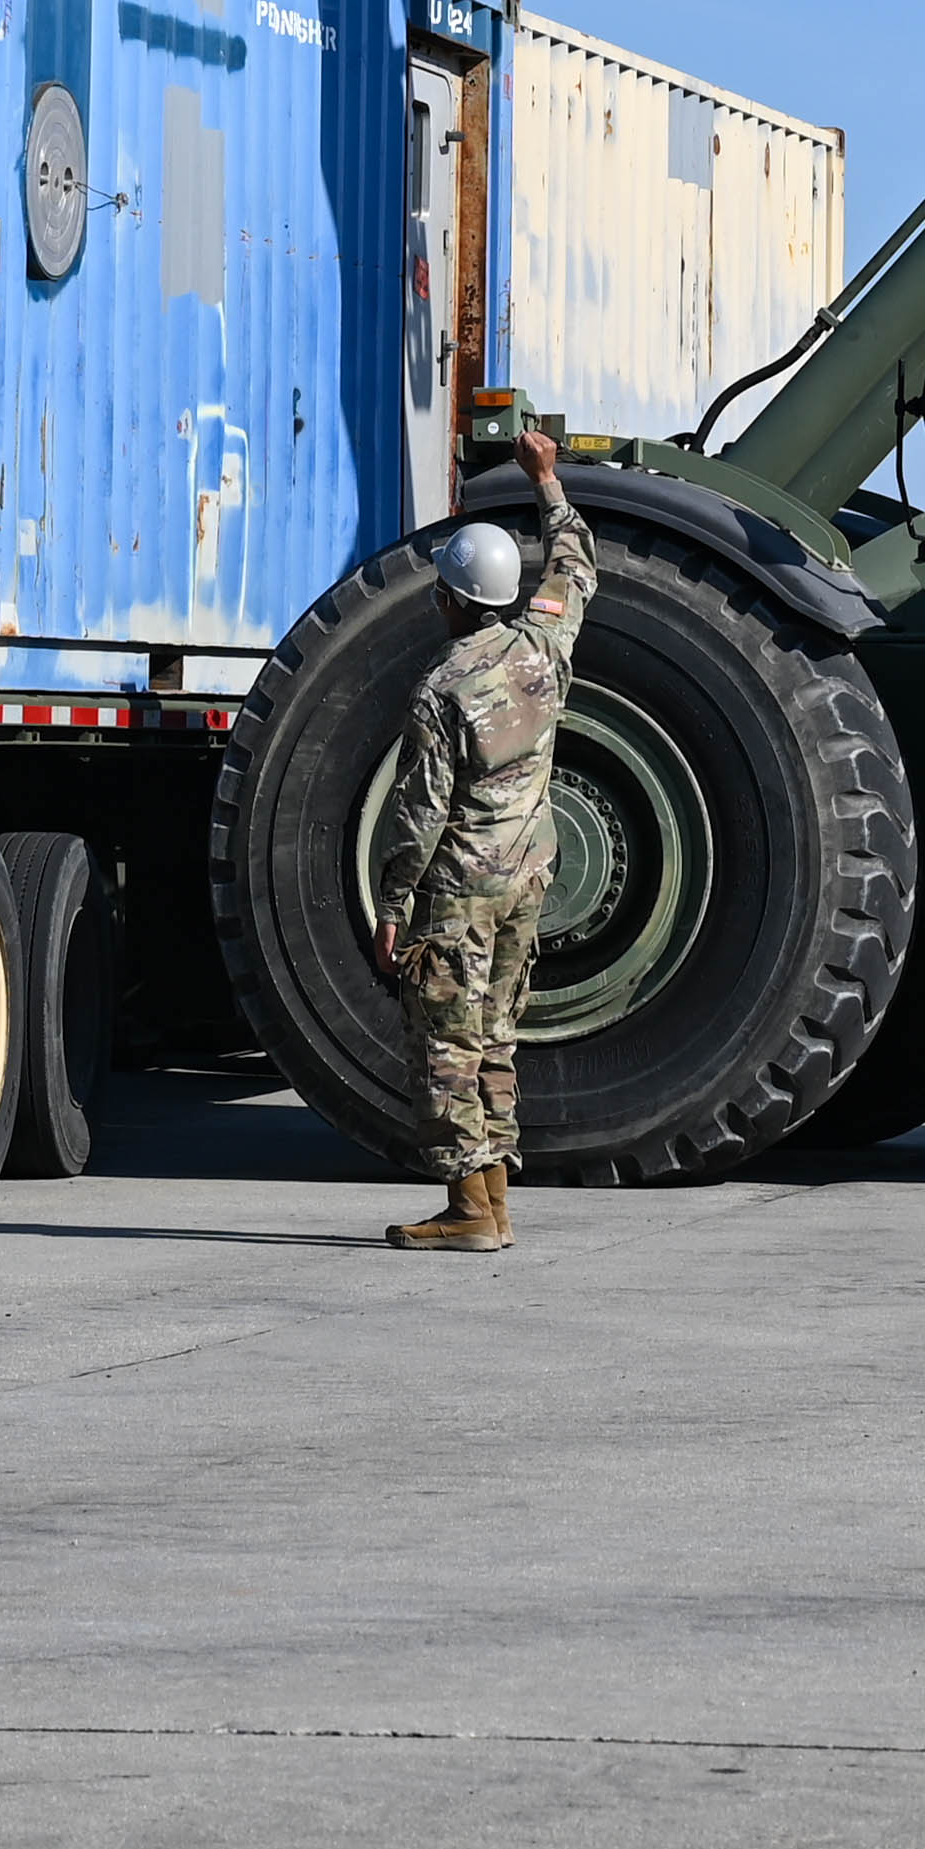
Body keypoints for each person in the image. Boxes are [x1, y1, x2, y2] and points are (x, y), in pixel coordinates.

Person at [372, 423, 595, 1251]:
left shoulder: (443, 687)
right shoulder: (546, 646)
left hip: (462, 890)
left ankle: (468, 1208)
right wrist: (547, 481)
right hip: (528, 879)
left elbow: (421, 810)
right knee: (497, 1036)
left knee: (445, 1044)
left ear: (453, 600)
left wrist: (392, 905)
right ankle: (494, 1202)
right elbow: (576, 565)